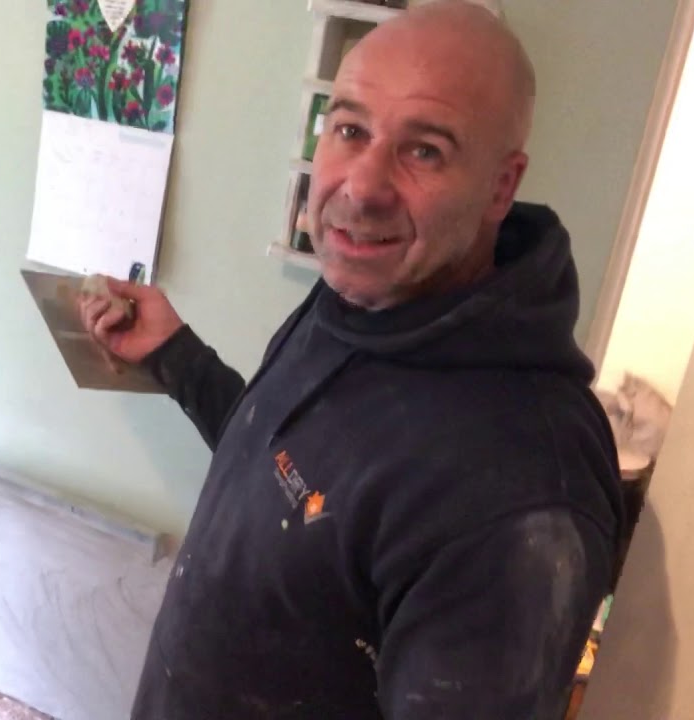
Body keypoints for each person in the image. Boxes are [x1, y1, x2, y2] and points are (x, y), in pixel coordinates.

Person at [80, 2, 623, 717]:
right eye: (350, 130)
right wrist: (176, 356)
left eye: (424, 150)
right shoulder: (370, 293)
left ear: (501, 185)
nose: (362, 188)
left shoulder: (521, 495)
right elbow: (302, 484)